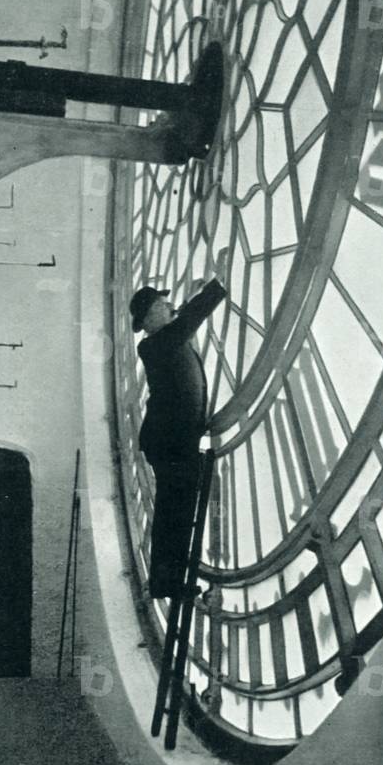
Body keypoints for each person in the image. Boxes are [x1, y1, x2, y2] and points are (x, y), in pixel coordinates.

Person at [129, 255, 228, 599]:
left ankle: (168, 581)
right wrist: (218, 286)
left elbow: (181, 318)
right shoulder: (154, 344)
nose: (169, 305)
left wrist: (198, 293)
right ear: (148, 317)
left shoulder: (162, 341)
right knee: (175, 512)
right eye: (162, 302)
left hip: (173, 441)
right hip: (171, 443)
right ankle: (166, 581)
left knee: (177, 510)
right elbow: (185, 320)